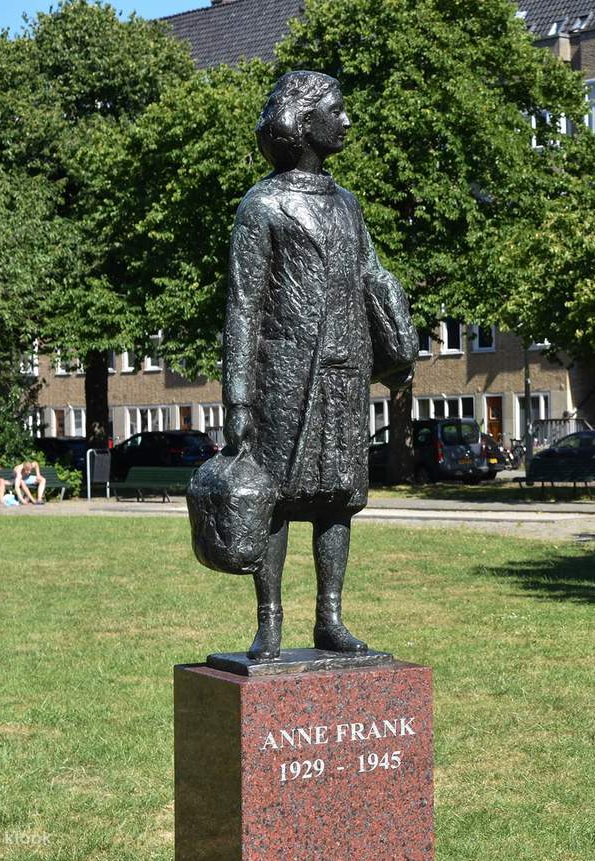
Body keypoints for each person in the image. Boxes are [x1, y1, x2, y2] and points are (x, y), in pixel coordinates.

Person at [219, 71, 415, 661]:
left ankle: (330, 617)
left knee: (338, 496)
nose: (347, 120)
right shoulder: (264, 204)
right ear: (303, 122)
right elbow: (244, 304)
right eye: (337, 110)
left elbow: (370, 272)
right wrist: (238, 396)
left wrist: (398, 329)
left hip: (344, 367)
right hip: (285, 373)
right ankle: (269, 620)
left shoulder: (347, 204)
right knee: (276, 496)